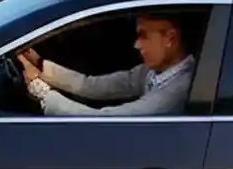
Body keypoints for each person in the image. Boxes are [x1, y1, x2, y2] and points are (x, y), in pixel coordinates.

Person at [17, 13, 196, 116]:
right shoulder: (157, 71)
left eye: (144, 36)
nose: (136, 45)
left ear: (170, 38)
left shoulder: (172, 96)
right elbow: (92, 85)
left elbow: (102, 120)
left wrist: (40, 91)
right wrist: (40, 64)